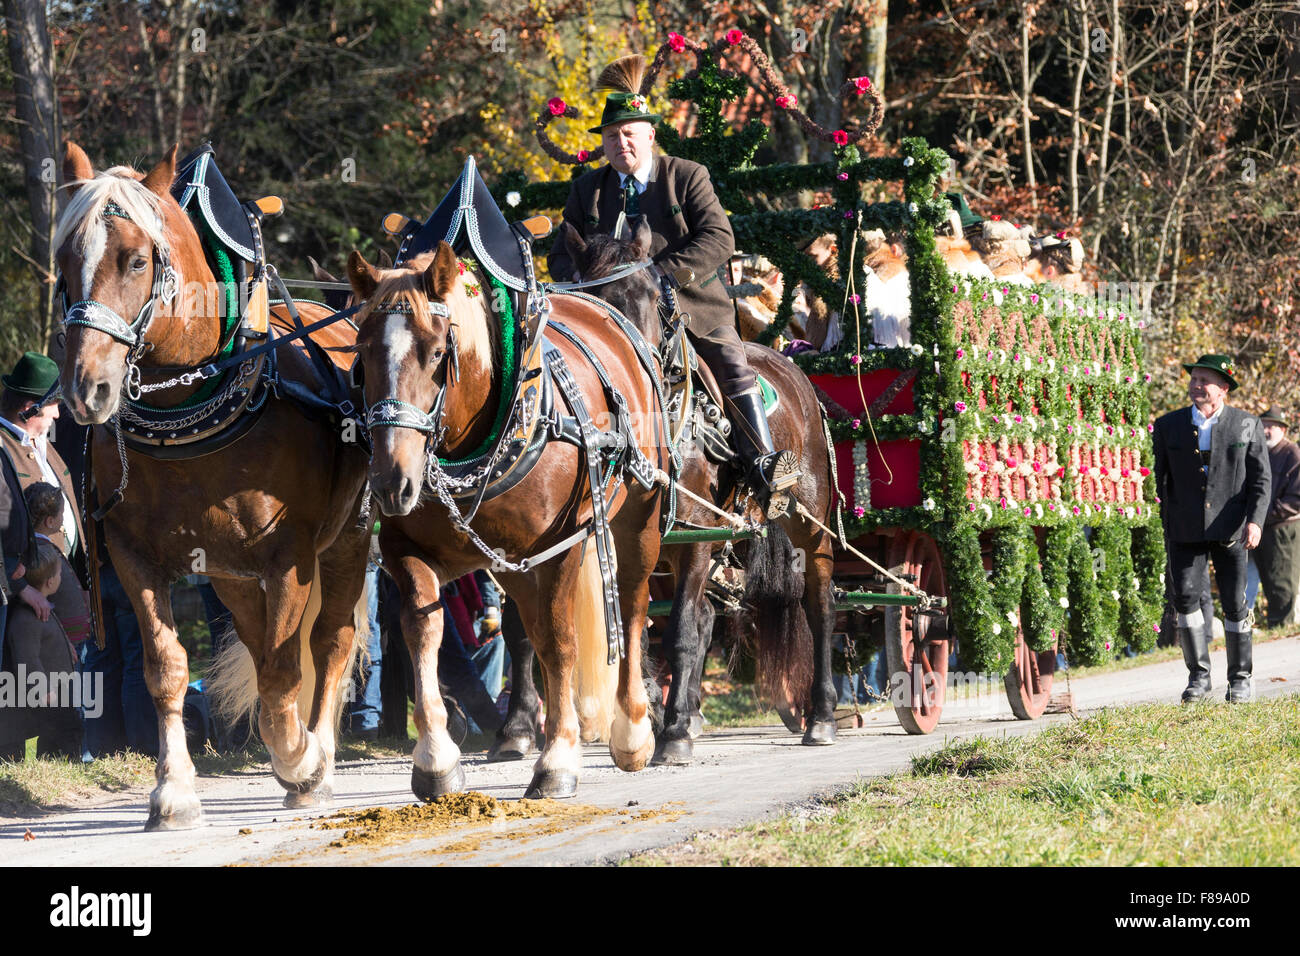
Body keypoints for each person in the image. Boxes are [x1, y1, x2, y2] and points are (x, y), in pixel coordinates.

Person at [546, 54, 800, 510]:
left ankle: (764, 465)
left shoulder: (686, 175)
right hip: (607, 318)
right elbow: (561, 252)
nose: (620, 143)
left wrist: (661, 275)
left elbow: (720, 237)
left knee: (731, 361)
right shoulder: (586, 190)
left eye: (628, 133)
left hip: (691, 306)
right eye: (610, 136)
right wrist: (581, 280)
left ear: (649, 134)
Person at [1152, 354, 1270, 704]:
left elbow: (1261, 481)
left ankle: (1240, 680)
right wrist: (1166, 520)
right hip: (1184, 529)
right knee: (1185, 599)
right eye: (1194, 380)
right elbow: (1159, 479)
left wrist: (1256, 521)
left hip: (1231, 528)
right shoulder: (1167, 425)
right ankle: (1199, 678)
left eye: (1205, 381)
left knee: (1235, 604)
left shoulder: (1246, 425)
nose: (1196, 386)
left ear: (1223, 389)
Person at [3, 539, 82, 758]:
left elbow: (49, 636)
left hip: (59, 695)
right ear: (49, 582)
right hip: (47, 697)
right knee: (60, 736)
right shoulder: (26, 617)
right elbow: (27, 658)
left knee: (68, 734)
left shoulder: (42, 607)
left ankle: (64, 768)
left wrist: (66, 646)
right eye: (59, 574)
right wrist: (43, 690)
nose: (60, 578)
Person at [1253, 406, 1300, 628]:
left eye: (1272, 426)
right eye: (1263, 426)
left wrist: (1267, 514)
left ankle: (1283, 630)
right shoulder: (1261, 453)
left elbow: (1296, 499)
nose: (1266, 430)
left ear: (1283, 429)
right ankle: (1276, 628)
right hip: (1262, 528)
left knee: (1283, 583)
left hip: (1283, 529)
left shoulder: (1292, 453)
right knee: (1269, 583)